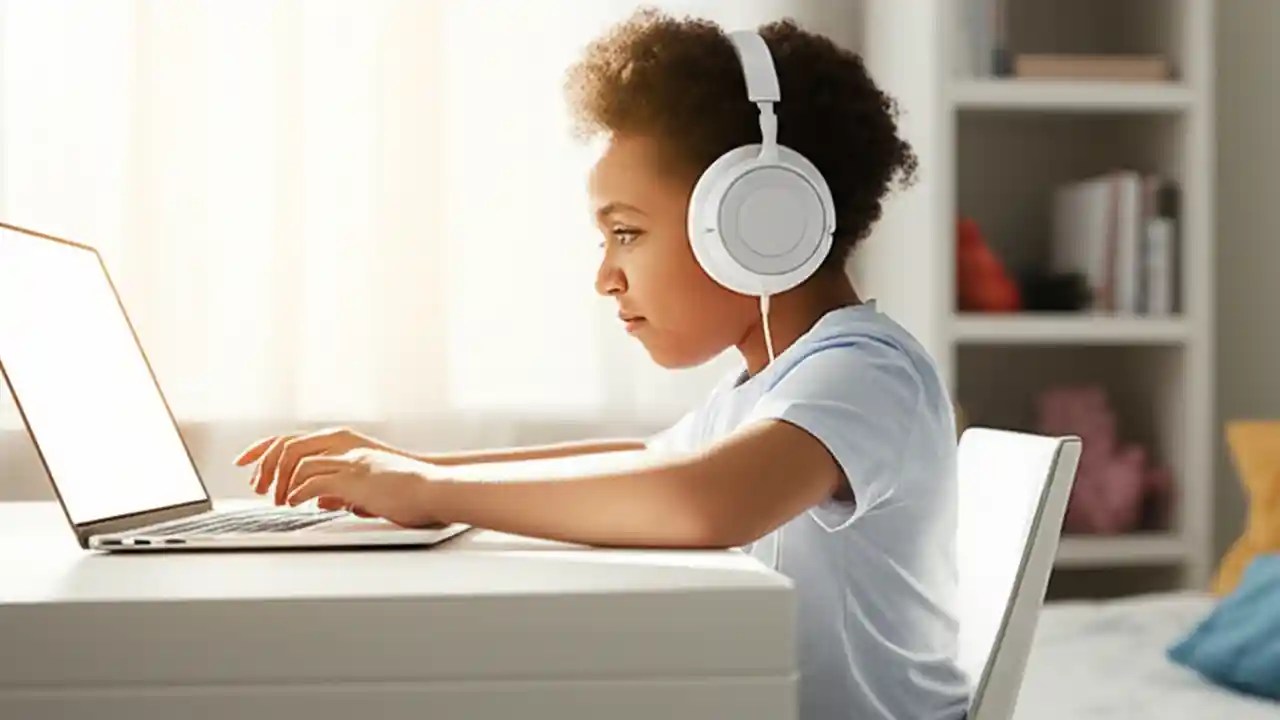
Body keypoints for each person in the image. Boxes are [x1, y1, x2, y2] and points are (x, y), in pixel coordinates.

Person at [239, 9, 969, 720]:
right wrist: (412, 465)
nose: (606, 278)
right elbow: (648, 462)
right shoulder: (772, 382)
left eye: (626, 233)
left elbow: (698, 500)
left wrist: (430, 490)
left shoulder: (867, 374)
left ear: (760, 220)